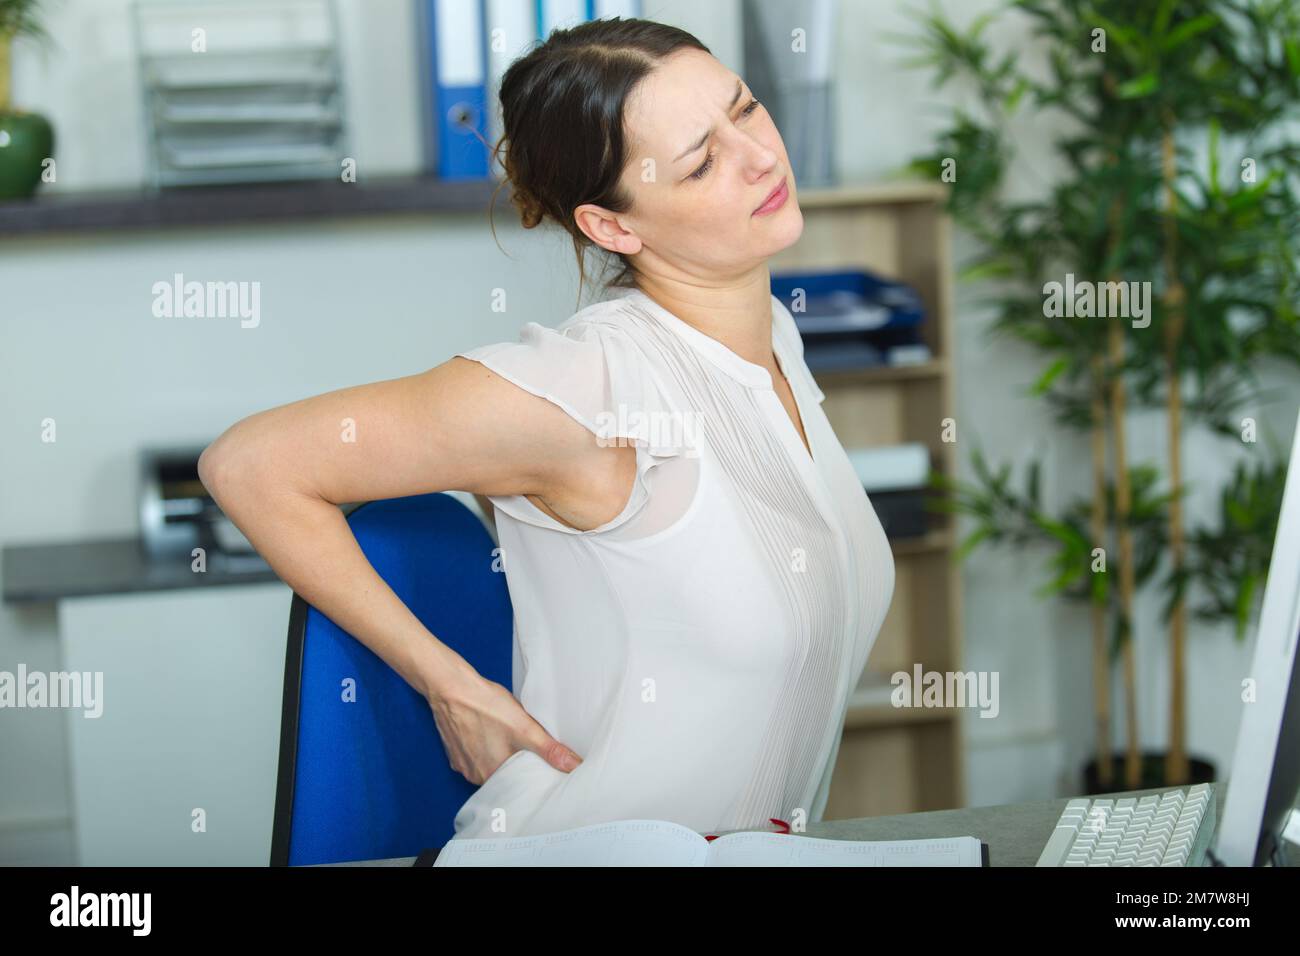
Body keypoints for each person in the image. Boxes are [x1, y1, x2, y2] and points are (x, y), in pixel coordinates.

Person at [199, 17, 895, 842]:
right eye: (702, 160)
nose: (759, 158)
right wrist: (448, 684)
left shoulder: (772, 334)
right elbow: (248, 464)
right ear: (612, 227)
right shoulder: (586, 392)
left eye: (744, 111)